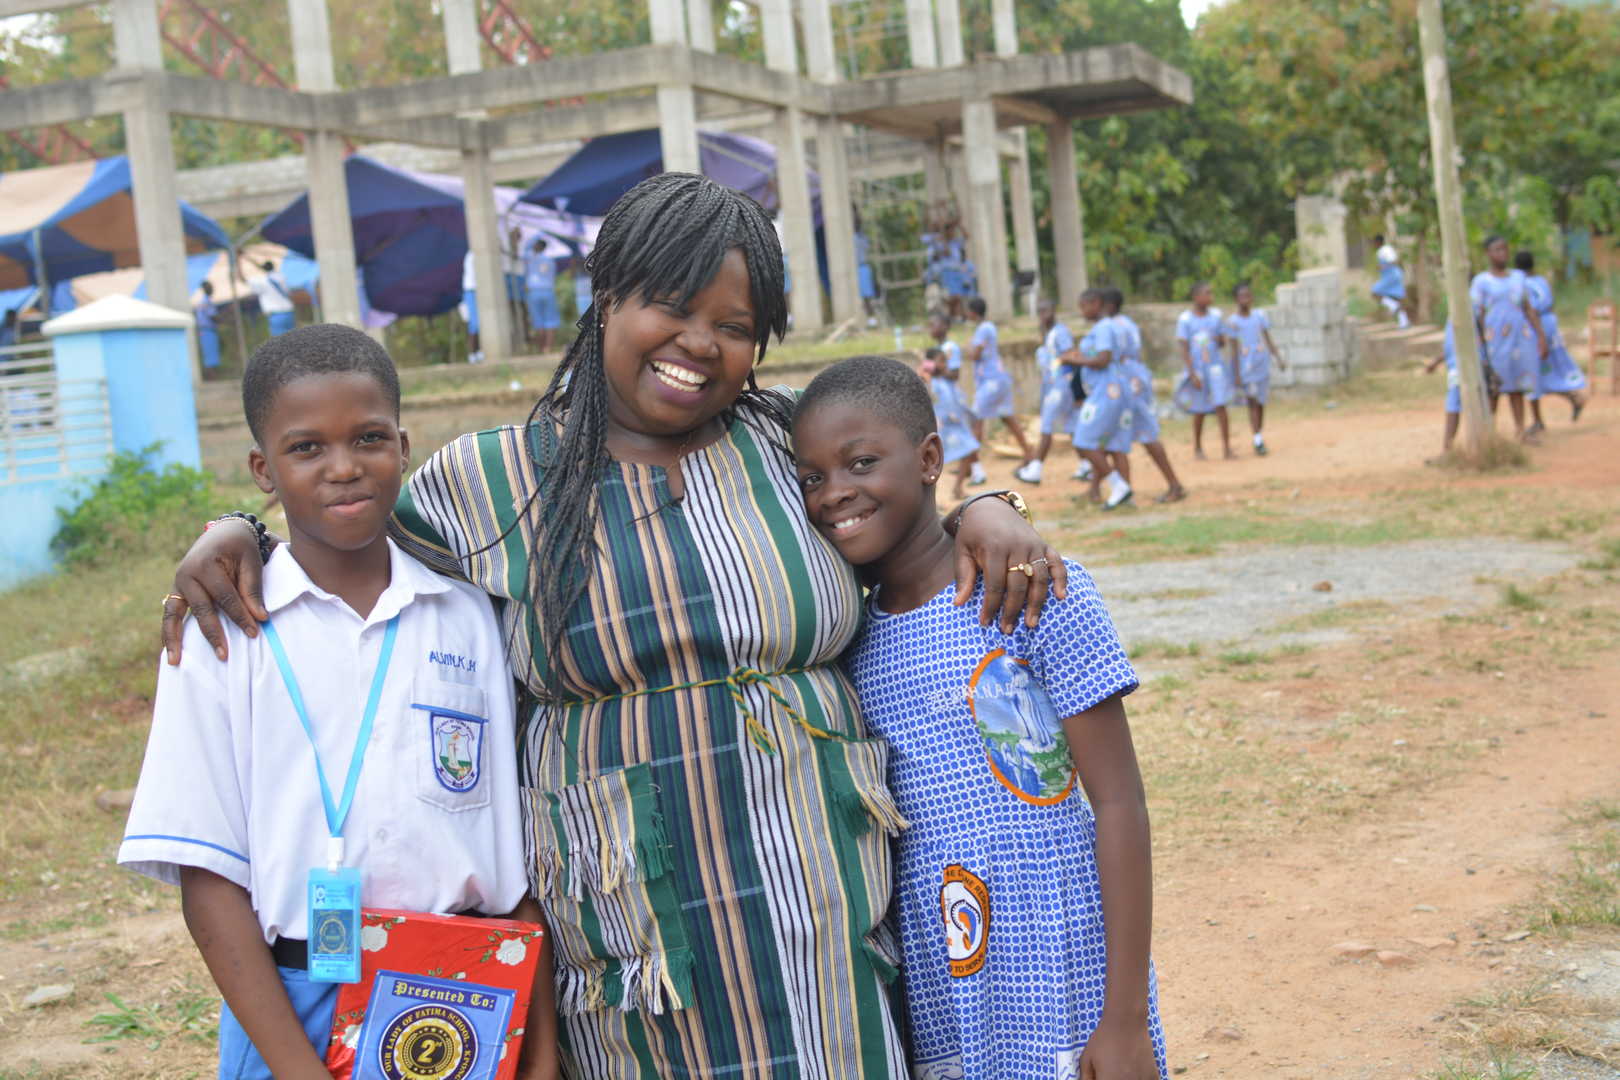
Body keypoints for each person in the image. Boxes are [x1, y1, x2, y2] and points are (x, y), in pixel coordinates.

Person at [162, 174, 1062, 1080]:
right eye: (670, 307)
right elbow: (344, 517)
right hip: (631, 944)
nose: (700, 344)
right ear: (607, 300)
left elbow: (897, 513)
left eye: (738, 326)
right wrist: (241, 529)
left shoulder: (789, 447)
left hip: (820, 911)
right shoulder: (494, 483)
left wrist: (987, 504)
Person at [123, 325, 553, 1080]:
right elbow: (209, 883)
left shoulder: (469, 618)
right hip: (291, 1007)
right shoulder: (222, 637)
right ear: (263, 468)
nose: (344, 467)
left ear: (405, 445)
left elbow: (512, 865)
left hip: (465, 996)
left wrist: (540, 1055)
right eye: (306, 448)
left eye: (368, 438)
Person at [791, 355, 1170, 1080]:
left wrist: (1121, 1020)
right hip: (938, 969)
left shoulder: (1029, 592)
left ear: (930, 457)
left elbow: (1119, 801)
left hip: (1062, 956)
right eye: (812, 478)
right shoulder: (844, 641)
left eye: (861, 462)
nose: (835, 493)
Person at [1107, 288, 1187, 504]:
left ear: (1109, 306)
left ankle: (1173, 485)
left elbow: (1107, 357)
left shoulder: (1111, 327)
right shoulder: (1128, 324)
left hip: (1128, 382)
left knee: (1141, 435)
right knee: (1114, 437)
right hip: (1135, 377)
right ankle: (1117, 490)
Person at [1470, 235, 1546, 441]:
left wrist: (1541, 336)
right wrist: (1479, 344)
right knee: (1493, 388)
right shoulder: (1481, 282)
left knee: (1518, 387)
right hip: (1494, 343)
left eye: (1504, 249)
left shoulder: (1518, 278)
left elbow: (1528, 309)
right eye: (1497, 250)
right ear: (1488, 253)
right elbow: (1478, 314)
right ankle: (1488, 436)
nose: (1502, 253)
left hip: (1520, 340)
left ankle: (1520, 431)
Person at [1067, 288, 1134, 510]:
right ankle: (1125, 498)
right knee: (1114, 445)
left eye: (1083, 306)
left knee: (1083, 440)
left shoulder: (1104, 327)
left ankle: (1118, 486)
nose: (1082, 311)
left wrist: (1076, 360)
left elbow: (1103, 359)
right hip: (1112, 387)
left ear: (1095, 303)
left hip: (1106, 390)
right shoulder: (1105, 327)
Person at [1515, 250, 1588, 436]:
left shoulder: (1522, 284)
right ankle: (1573, 397)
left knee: (1531, 374)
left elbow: (1528, 310)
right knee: (1548, 370)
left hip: (1535, 329)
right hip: (1550, 325)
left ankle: (1538, 420)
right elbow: (1551, 303)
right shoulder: (1541, 281)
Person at [965, 295, 1035, 483]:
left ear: (972, 312)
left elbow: (974, 354)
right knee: (1007, 418)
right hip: (999, 379)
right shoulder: (989, 327)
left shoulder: (983, 329)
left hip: (990, 381)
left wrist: (969, 349)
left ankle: (973, 467)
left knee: (977, 421)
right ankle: (1029, 452)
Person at [1015, 297, 1079, 486]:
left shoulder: (1060, 332)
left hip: (1060, 385)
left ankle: (1036, 469)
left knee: (1047, 425)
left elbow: (1070, 354)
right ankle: (1086, 464)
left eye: (1046, 311)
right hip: (1051, 385)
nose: (1043, 315)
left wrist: (1062, 363)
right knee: (1072, 425)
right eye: (1040, 312)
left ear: (1053, 311)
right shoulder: (1047, 334)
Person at [1225, 283, 1286, 456]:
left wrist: (1278, 358)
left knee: (1260, 403)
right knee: (1252, 402)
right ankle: (1257, 439)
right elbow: (1234, 350)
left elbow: (1268, 339)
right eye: (1242, 296)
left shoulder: (1259, 316)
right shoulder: (1233, 322)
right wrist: (1236, 375)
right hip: (1246, 369)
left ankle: (1258, 433)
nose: (1246, 299)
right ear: (1236, 299)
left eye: (1248, 295)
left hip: (1261, 365)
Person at [1173, 282, 1231, 460]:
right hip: (1197, 369)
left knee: (1220, 405)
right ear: (1196, 297)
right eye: (1207, 294)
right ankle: (1197, 448)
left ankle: (1227, 448)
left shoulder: (1215, 316)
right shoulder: (1185, 320)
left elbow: (1222, 342)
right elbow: (1184, 348)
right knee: (1199, 409)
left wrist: (1219, 339)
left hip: (1215, 368)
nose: (1210, 297)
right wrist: (1191, 373)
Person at [920, 345, 979, 501]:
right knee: (933, 463)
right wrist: (927, 368)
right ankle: (933, 496)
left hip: (954, 424)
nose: (944, 364)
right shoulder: (928, 380)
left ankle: (957, 488)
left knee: (969, 448)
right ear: (931, 363)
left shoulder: (946, 379)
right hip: (940, 427)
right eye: (940, 361)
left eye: (945, 361)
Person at [1423, 320, 1462, 463]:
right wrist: (1437, 361)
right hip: (1456, 365)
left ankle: (1448, 450)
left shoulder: (1469, 304)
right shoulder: (1454, 311)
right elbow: (1451, 345)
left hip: (1464, 365)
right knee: (1454, 404)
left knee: (1453, 404)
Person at [524, 235, 562, 353]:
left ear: (536, 246)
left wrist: (535, 237)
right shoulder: (550, 261)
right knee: (550, 321)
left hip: (534, 292)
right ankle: (548, 348)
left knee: (538, 321)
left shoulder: (530, 258)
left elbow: (526, 247)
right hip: (548, 291)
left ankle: (541, 349)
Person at [1370, 234, 1408, 329]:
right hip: (1394, 275)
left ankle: (1393, 306)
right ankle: (1404, 322)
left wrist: (1383, 266)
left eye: (1374, 242)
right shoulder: (1384, 250)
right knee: (1396, 298)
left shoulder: (1384, 250)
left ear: (1378, 242)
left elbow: (1394, 261)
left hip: (1392, 276)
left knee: (1375, 292)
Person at [250, 260, 296, 338]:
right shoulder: (282, 277)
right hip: (289, 312)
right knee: (292, 339)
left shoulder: (263, 281)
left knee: (279, 342)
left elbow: (243, 279)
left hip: (276, 315)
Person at [461, 249, 483, 364]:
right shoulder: (473, 255)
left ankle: (478, 351)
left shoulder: (474, 254)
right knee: (474, 324)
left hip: (476, 290)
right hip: (471, 290)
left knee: (479, 324)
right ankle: (472, 353)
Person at [194, 280, 221, 370]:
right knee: (210, 353)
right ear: (206, 289)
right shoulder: (207, 301)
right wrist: (224, 320)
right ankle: (211, 375)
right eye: (210, 287)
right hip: (207, 331)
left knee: (209, 353)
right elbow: (213, 316)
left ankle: (212, 373)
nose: (212, 289)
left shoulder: (204, 301)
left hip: (206, 331)